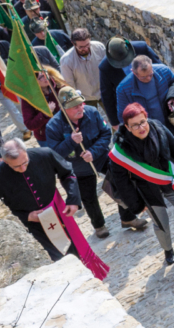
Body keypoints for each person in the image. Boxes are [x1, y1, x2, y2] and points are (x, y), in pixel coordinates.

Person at [108, 103, 174, 265]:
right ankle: (168, 250)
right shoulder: (120, 150)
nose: (141, 127)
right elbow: (121, 182)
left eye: (143, 122)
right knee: (161, 223)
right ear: (127, 127)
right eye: (135, 125)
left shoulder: (157, 127)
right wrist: (137, 205)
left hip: (169, 180)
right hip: (146, 190)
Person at [45, 86, 146, 238]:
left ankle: (128, 217)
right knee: (89, 197)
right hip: (78, 167)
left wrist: (94, 151)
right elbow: (55, 154)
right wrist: (71, 142)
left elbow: (105, 134)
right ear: (64, 109)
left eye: (80, 104)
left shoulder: (91, 113)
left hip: (101, 157)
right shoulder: (53, 127)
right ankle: (99, 226)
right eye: (75, 107)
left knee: (122, 182)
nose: (80, 108)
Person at [0, 139, 80, 262]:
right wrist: (26, 216)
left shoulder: (45, 154)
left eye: (25, 162)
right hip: (33, 226)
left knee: (74, 250)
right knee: (55, 259)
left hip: (58, 214)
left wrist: (73, 199)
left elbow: (68, 173)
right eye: (17, 166)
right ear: (4, 161)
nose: (23, 168)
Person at [99, 36, 165, 130]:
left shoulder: (142, 48)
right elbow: (107, 96)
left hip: (154, 96)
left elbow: (161, 69)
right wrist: (114, 122)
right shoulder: (105, 67)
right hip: (132, 103)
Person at [115, 56, 174, 128]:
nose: (148, 78)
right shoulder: (123, 89)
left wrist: (173, 96)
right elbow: (123, 117)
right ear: (133, 72)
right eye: (143, 77)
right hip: (148, 130)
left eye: (150, 74)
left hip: (171, 124)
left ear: (151, 63)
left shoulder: (164, 71)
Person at [59, 28, 106, 110]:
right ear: (73, 43)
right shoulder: (66, 61)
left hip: (104, 92)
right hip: (85, 99)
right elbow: (70, 85)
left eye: (88, 45)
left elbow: (108, 69)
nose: (86, 49)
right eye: (81, 47)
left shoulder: (99, 47)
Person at [23, 66, 66, 138]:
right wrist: (45, 113)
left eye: (46, 74)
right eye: (41, 77)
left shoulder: (60, 85)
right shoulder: (28, 98)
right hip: (47, 137)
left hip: (68, 129)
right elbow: (30, 125)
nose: (46, 78)